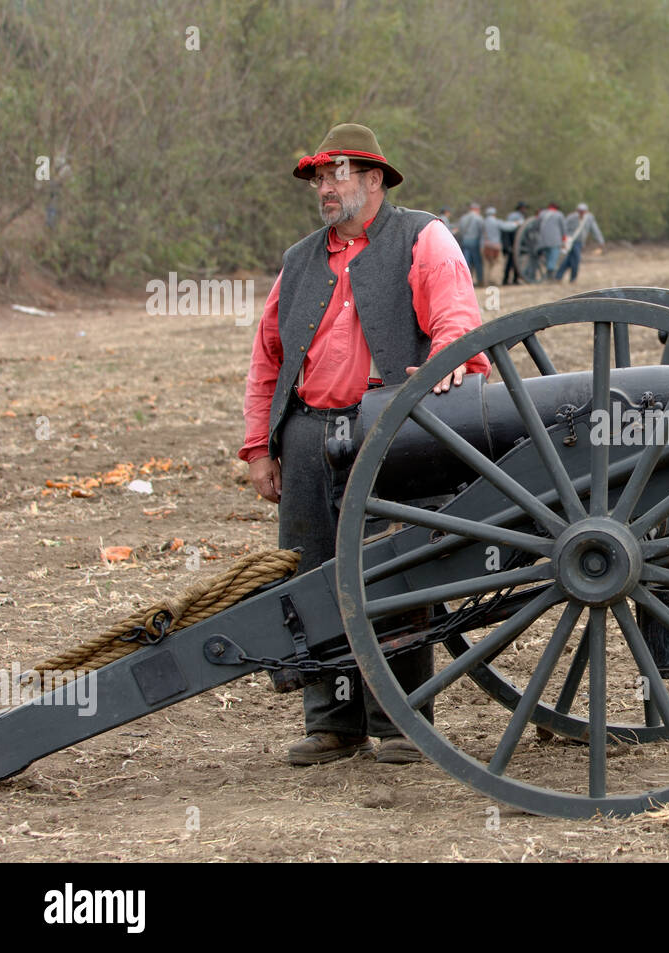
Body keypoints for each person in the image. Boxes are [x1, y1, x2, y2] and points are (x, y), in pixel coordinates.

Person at [239, 123, 490, 767]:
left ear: (374, 179)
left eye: (336, 175)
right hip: (306, 433)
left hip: (389, 428)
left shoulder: (422, 236)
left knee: (392, 572)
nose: (324, 188)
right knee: (312, 570)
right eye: (318, 179)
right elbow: (268, 357)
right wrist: (258, 446)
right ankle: (331, 723)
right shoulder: (299, 261)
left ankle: (398, 723)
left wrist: (452, 357)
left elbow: (456, 313)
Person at [554, 202, 605, 283]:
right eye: (580, 211)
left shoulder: (589, 218)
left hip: (580, 242)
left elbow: (595, 230)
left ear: (586, 211)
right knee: (576, 259)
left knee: (569, 260)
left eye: (583, 211)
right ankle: (572, 279)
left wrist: (601, 241)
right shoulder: (571, 217)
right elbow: (564, 228)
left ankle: (558, 277)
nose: (581, 213)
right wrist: (563, 240)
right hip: (570, 242)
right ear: (577, 210)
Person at [535, 202, 566, 279]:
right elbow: (563, 228)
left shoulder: (542, 214)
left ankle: (549, 273)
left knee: (548, 258)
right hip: (555, 240)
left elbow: (536, 225)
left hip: (543, 240)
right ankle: (550, 276)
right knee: (553, 258)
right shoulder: (559, 214)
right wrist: (564, 239)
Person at [456, 202, 484, 285]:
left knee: (466, 263)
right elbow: (482, 231)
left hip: (465, 241)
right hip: (475, 242)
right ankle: (480, 281)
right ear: (476, 209)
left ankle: (465, 282)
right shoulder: (479, 218)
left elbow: (460, 230)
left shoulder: (463, 218)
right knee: (477, 262)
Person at [502, 201, 529, 285]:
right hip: (514, 237)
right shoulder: (519, 216)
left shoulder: (511, 215)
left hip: (510, 238)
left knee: (511, 262)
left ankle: (507, 279)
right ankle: (512, 279)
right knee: (513, 262)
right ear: (521, 208)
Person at [481, 206, 509, 287]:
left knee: (486, 265)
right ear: (494, 214)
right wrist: (516, 223)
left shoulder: (482, 222)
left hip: (484, 246)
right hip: (495, 246)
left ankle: (486, 283)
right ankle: (494, 279)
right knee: (498, 263)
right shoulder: (496, 222)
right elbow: (507, 227)